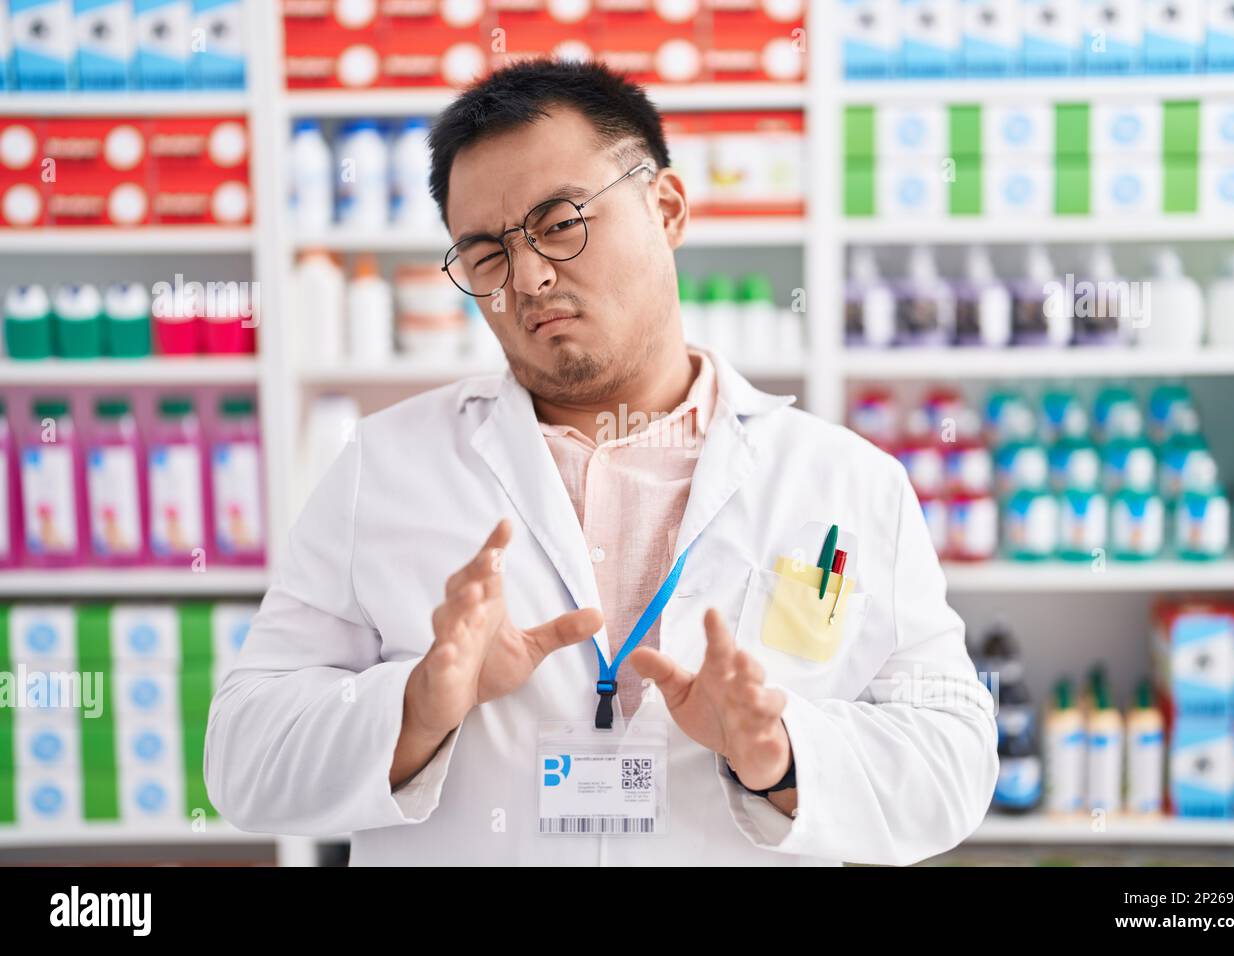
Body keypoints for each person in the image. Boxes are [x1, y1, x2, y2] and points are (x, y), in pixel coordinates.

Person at [204, 57, 997, 866]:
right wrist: (417, 705)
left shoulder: (847, 481)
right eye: (486, 255)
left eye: (560, 222)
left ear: (667, 206)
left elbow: (954, 763)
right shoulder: (384, 465)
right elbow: (242, 759)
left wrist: (783, 754)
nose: (530, 276)